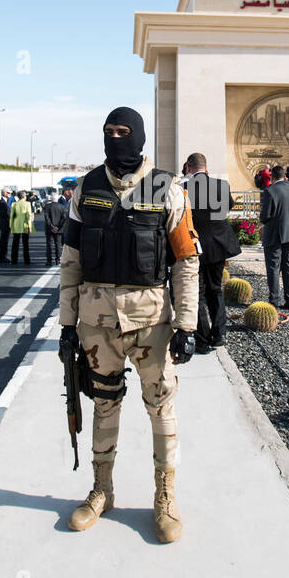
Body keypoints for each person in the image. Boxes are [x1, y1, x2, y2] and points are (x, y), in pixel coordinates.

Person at [59, 106, 199, 544]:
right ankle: (102, 490)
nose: (115, 138)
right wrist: (67, 324)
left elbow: (186, 261)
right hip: (97, 326)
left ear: (138, 136)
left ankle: (165, 496)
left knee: (160, 408)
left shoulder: (168, 189)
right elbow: (71, 262)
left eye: (123, 132)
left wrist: (188, 325)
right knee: (104, 406)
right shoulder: (87, 189)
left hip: (151, 323)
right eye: (108, 132)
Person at [183, 152, 241, 352]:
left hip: (194, 246)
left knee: (196, 295)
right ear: (206, 168)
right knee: (215, 289)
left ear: (189, 168)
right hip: (217, 245)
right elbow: (229, 206)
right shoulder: (221, 186)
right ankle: (219, 334)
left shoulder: (183, 189)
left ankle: (202, 338)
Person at [260, 164, 289, 310]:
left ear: (272, 176)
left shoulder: (270, 191)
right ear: (284, 175)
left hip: (275, 232)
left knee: (273, 267)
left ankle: (274, 300)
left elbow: (265, 216)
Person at [42, 187, 66, 265]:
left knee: (49, 245)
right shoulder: (62, 207)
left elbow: (47, 218)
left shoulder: (47, 207)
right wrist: (57, 227)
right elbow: (64, 218)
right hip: (58, 229)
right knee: (58, 245)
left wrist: (51, 226)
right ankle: (58, 260)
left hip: (49, 229)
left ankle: (49, 261)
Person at [9, 190, 33, 264]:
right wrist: (30, 226)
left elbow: (11, 216)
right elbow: (28, 216)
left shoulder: (14, 204)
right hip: (24, 225)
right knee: (25, 244)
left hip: (16, 225)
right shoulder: (27, 204)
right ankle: (27, 260)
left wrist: (11, 226)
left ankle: (14, 260)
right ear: (24, 196)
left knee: (15, 243)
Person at [0, 189, 13, 262]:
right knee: (3, 241)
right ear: (4, 193)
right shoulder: (2, 202)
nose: (10, 195)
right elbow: (6, 214)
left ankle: (3, 256)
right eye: (8, 193)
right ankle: (1, 257)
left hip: (5, 224)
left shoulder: (4, 202)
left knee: (4, 241)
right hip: (5, 224)